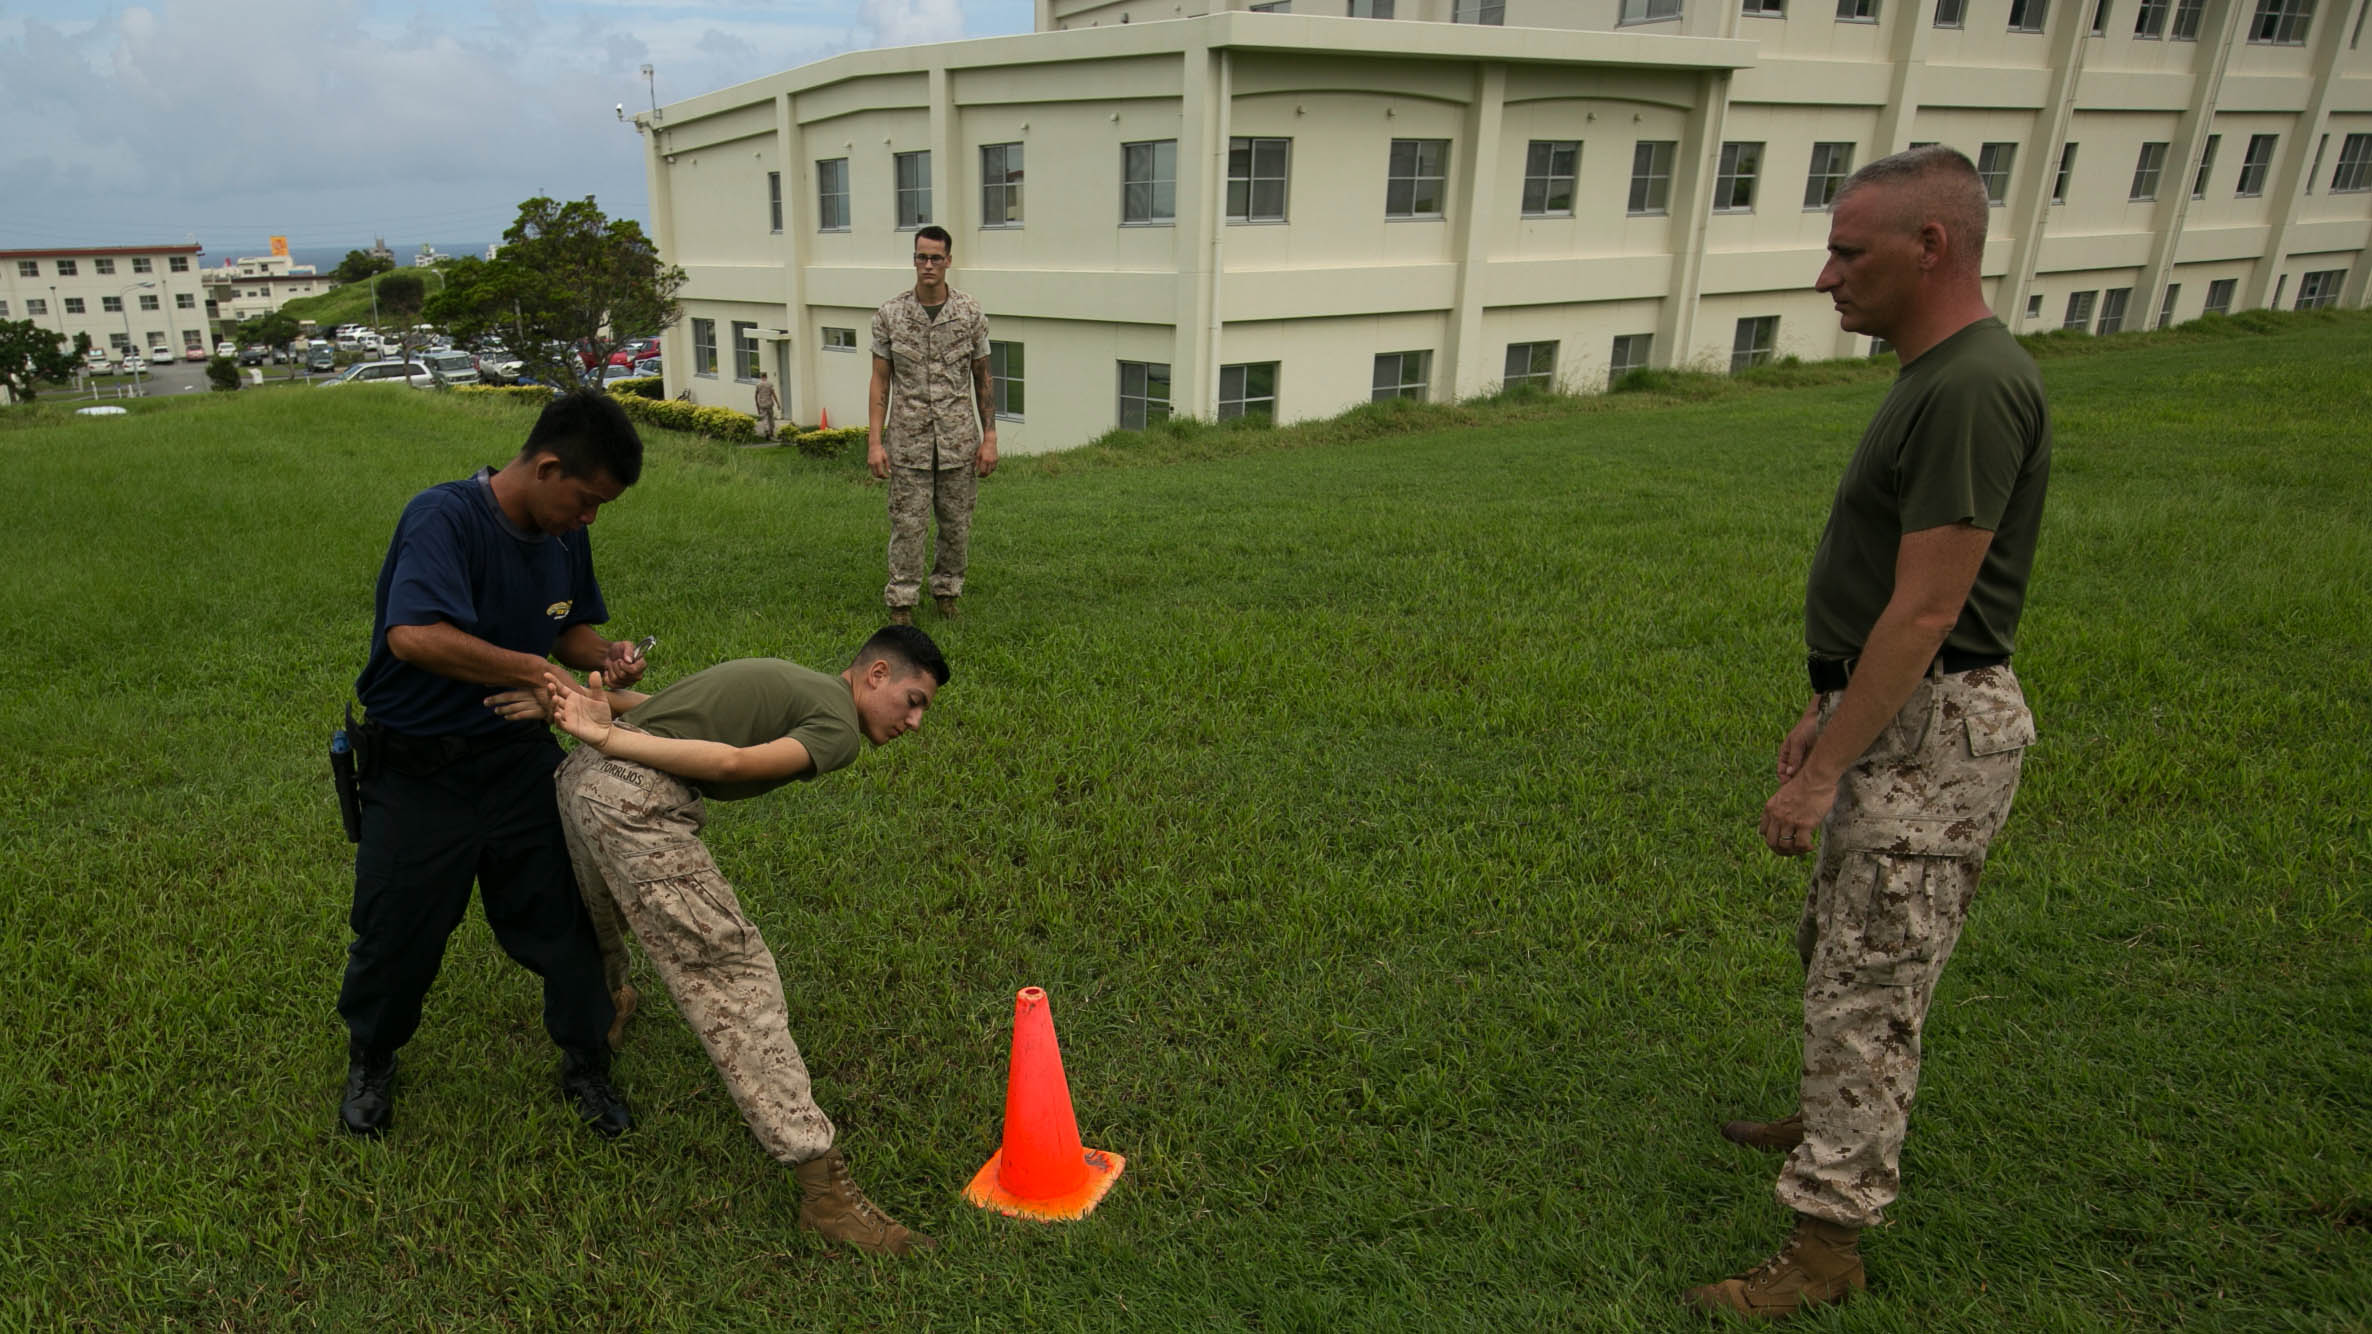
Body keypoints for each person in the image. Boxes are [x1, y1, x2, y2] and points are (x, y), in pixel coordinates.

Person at [1684, 146, 2050, 1319]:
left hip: (1931, 726)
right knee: (1838, 945)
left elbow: (1932, 604)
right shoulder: (1934, 375)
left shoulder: (1970, 385)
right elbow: (1884, 593)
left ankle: (1825, 1243)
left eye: (1848, 250)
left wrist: (1828, 763)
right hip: (1894, 707)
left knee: (1868, 985)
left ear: (1928, 246)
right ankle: (1829, 1107)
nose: (1824, 275)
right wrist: (1825, 703)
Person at [518, 625, 950, 1256]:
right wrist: (601, 728)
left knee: (601, 907)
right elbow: (730, 762)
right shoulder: (836, 726)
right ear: (877, 674)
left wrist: (590, 712)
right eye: (915, 700)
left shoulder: (790, 678)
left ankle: (612, 998)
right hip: (626, 793)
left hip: (580, 778)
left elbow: (664, 709)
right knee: (732, 973)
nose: (914, 722)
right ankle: (824, 1190)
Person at [336, 390, 650, 1141]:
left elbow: (566, 628)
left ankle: (585, 1061)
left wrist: (602, 656)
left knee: (565, 920)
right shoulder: (443, 518)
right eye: (585, 500)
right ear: (545, 466)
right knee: (395, 933)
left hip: (515, 760)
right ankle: (372, 1057)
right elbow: (413, 635)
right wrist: (533, 675)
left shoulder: (563, 533)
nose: (589, 519)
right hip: (416, 765)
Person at [867, 224, 997, 625]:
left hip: (958, 440)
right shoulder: (890, 314)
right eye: (921, 257)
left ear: (948, 261)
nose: (928, 265)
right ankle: (902, 604)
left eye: (935, 258)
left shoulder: (970, 312)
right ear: (914, 260)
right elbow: (880, 380)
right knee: (907, 524)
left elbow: (983, 377)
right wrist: (875, 441)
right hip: (908, 441)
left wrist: (990, 436)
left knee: (956, 524)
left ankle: (947, 594)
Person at [753, 370, 780, 441]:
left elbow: (756, 395)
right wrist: (778, 403)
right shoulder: (770, 384)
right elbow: (773, 394)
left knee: (764, 418)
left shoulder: (758, 385)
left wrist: (757, 405)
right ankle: (771, 431)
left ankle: (767, 431)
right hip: (769, 403)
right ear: (766, 376)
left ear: (761, 376)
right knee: (771, 417)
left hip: (762, 404)